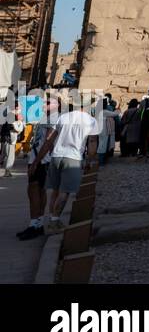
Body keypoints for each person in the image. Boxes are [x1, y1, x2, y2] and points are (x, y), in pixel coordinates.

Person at [30, 90, 99, 234]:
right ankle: (54, 221)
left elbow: (49, 141)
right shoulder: (91, 121)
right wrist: (89, 161)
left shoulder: (63, 117)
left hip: (56, 156)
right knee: (65, 192)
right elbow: (92, 143)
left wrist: (37, 160)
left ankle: (52, 221)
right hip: (72, 158)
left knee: (55, 190)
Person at [16, 97, 55, 241]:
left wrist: (35, 162)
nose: (45, 104)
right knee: (38, 191)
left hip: (41, 161)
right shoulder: (44, 118)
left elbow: (48, 142)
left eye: (49, 103)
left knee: (34, 191)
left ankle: (35, 224)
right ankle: (37, 223)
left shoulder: (53, 119)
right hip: (37, 159)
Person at [96, 95, 118, 167]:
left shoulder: (99, 111)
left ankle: (101, 161)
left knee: (101, 145)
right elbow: (115, 114)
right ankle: (101, 162)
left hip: (100, 130)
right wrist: (117, 109)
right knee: (103, 146)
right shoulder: (104, 112)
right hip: (104, 131)